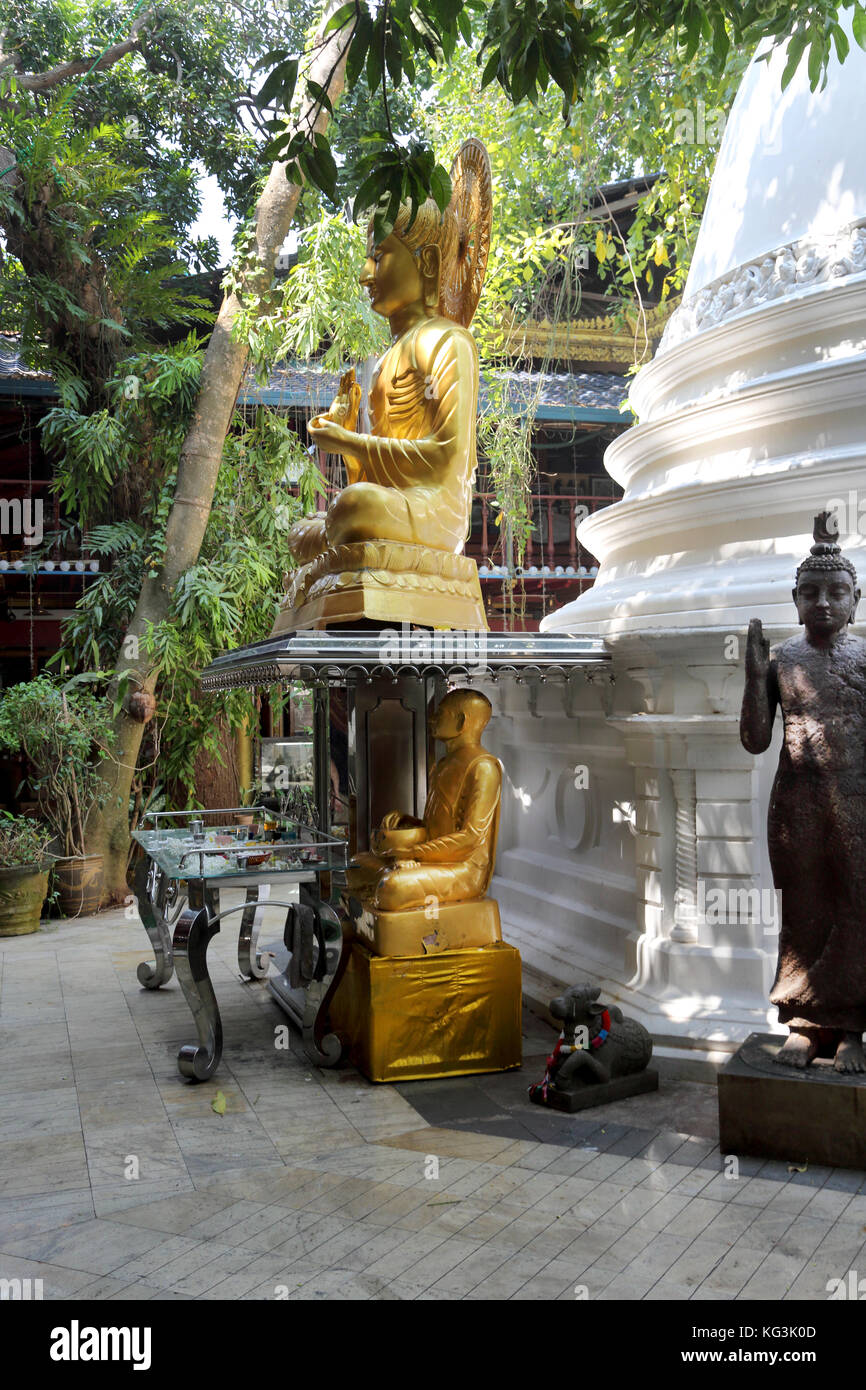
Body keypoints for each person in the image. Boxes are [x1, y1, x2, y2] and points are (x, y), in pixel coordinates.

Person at [740, 513, 866, 1072]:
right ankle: (802, 1022)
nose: (823, 604)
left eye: (836, 592)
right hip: (796, 804)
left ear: (855, 600)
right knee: (804, 909)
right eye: (810, 593)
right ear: (795, 599)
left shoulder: (865, 657)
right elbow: (754, 739)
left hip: (858, 802)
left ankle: (853, 1030)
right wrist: (751, 676)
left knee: (856, 908)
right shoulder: (783, 660)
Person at [346, 688, 501, 913]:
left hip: (462, 868)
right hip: (433, 858)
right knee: (357, 865)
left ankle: (388, 899)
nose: (432, 718)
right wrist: (408, 822)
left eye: (441, 713)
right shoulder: (443, 765)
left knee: (393, 886)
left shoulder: (483, 767)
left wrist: (412, 853)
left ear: (461, 721)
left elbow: (470, 839)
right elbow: (437, 829)